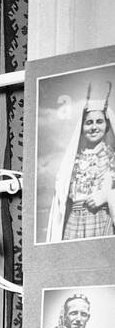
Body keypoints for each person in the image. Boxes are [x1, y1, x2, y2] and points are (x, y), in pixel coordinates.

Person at [46, 84, 115, 242]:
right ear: (82, 127)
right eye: (89, 122)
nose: (94, 127)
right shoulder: (71, 161)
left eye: (99, 122)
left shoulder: (112, 158)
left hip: (102, 219)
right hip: (74, 222)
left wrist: (107, 196)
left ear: (107, 126)